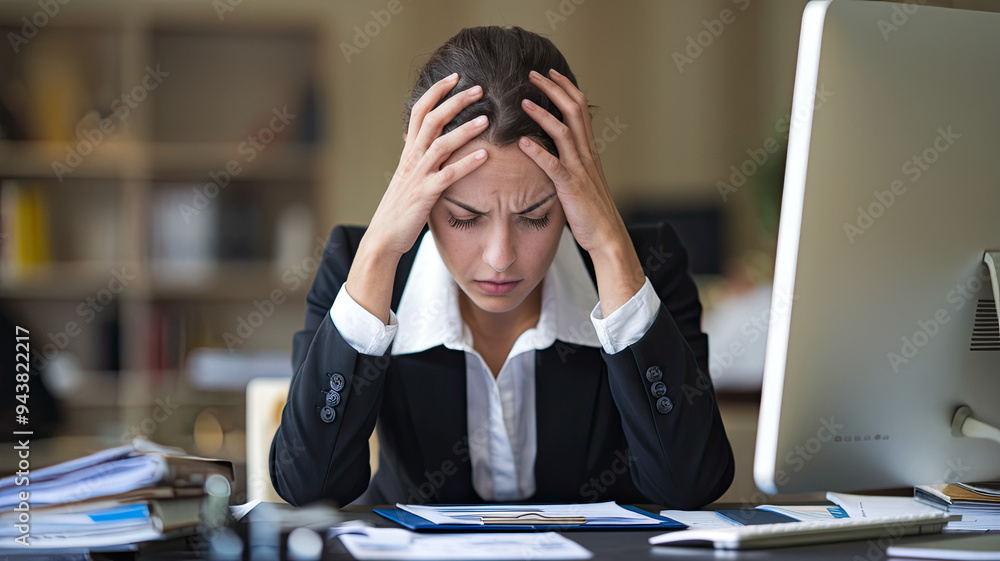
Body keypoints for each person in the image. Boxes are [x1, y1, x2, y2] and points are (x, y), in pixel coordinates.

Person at [269, 25, 734, 508]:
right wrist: (380, 251)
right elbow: (308, 487)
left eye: (535, 217)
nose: (500, 257)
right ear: (420, 198)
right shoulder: (360, 268)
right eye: (464, 218)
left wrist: (611, 250)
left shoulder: (644, 270)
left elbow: (690, 484)